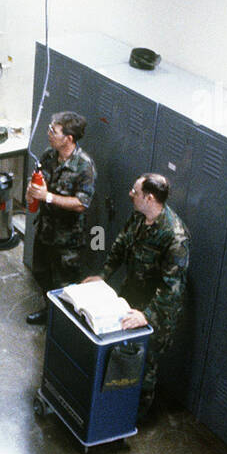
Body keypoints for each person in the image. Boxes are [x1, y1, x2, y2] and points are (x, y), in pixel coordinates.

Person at [85, 173, 189, 416]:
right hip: (131, 298)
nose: (130, 194)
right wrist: (103, 274)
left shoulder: (175, 236)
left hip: (155, 312)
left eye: (135, 192)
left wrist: (148, 316)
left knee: (144, 365)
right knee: (120, 357)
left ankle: (135, 415)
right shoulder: (138, 217)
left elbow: (172, 289)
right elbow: (120, 245)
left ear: (149, 198)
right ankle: (113, 405)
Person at [26, 111, 97, 324]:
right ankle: (49, 312)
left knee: (65, 283)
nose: (48, 133)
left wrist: (47, 196)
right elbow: (40, 182)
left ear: (69, 138)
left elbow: (81, 204)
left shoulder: (84, 166)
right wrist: (34, 189)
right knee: (41, 272)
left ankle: (63, 324)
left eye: (53, 131)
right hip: (46, 230)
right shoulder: (49, 156)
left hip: (68, 240)